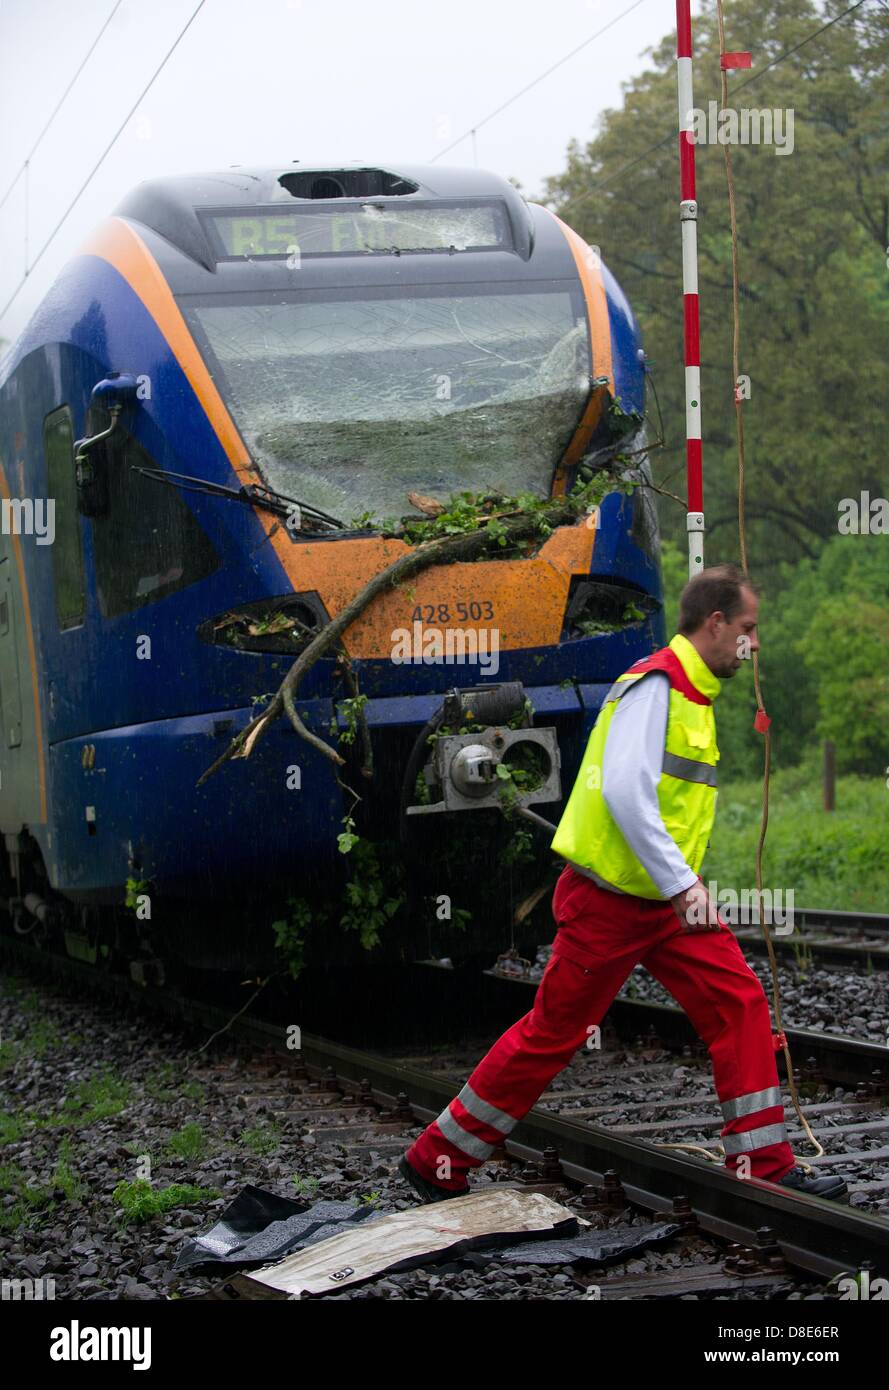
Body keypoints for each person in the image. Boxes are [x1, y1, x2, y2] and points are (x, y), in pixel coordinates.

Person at [399, 564, 847, 1203]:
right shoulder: (656, 687)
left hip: (662, 903)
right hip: (611, 903)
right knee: (551, 1035)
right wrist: (684, 887)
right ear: (715, 623)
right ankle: (436, 1160)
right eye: (747, 630)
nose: (752, 645)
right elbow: (625, 793)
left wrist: (678, 888)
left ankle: (765, 1169)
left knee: (740, 1005)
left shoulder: (692, 697)